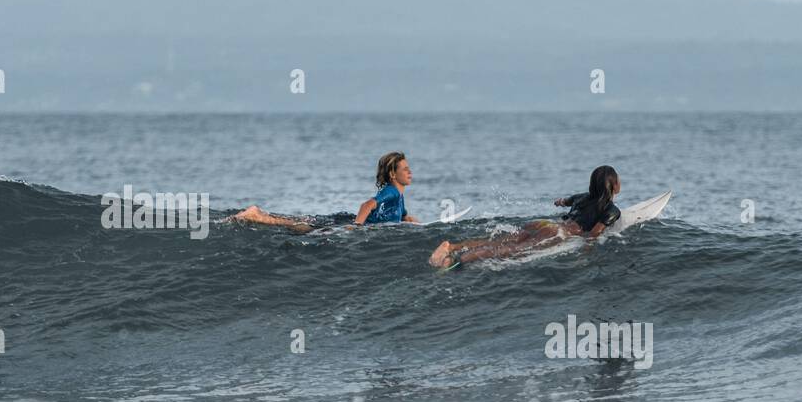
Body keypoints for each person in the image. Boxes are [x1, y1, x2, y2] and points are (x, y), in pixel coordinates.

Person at [429, 165, 621, 269]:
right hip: (557, 232)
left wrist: (560, 202)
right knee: (512, 250)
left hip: (543, 224)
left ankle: (451, 247)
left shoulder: (581, 197)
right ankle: (456, 261)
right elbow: (594, 235)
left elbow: (562, 201)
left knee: (496, 241)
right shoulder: (611, 210)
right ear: (613, 186)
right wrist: (585, 256)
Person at [229, 152, 419, 232]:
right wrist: (356, 227)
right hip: (352, 223)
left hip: (348, 219)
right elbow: (367, 205)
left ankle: (260, 214)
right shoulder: (392, 192)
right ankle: (256, 216)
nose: (410, 172)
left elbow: (403, 216)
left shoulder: (398, 196)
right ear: (393, 174)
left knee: (305, 225)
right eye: (405, 169)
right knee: (304, 228)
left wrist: (417, 225)